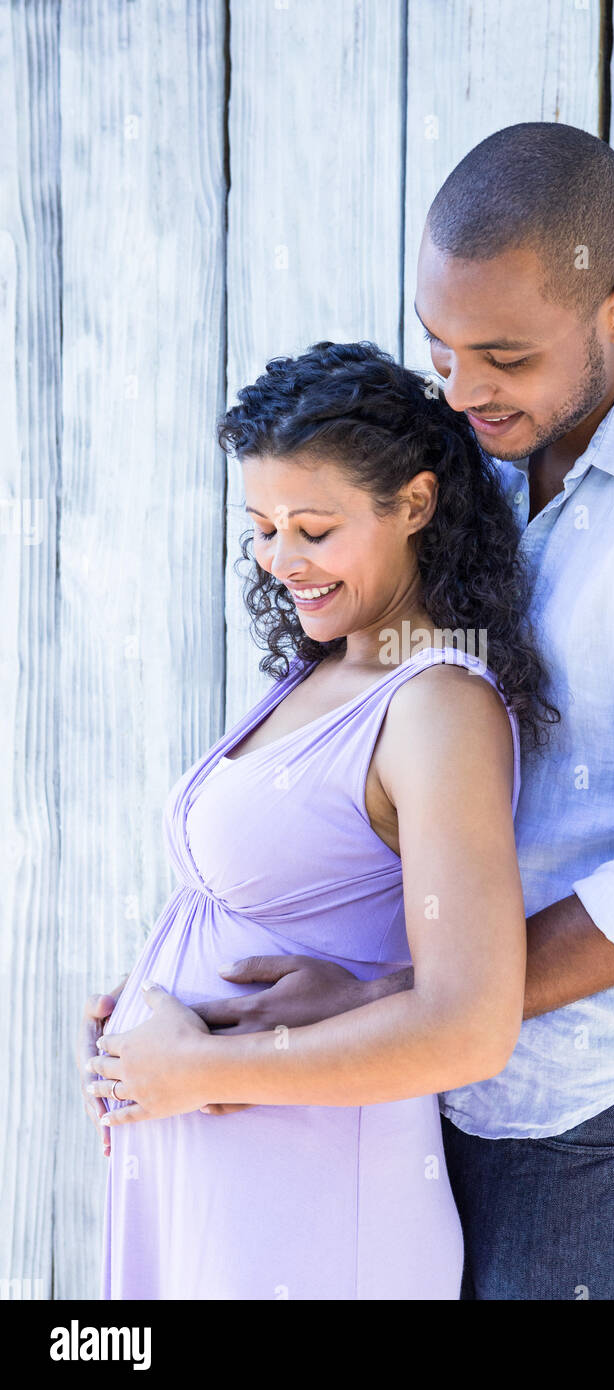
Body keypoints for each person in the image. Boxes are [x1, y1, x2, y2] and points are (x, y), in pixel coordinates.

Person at [79, 339, 559, 1300]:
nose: (280, 561)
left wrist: (202, 1071)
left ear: (414, 505)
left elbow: (469, 1028)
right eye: (262, 527)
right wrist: (144, 1013)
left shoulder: (438, 709)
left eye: (313, 528)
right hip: (221, 1185)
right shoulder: (330, 671)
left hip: (310, 1207)